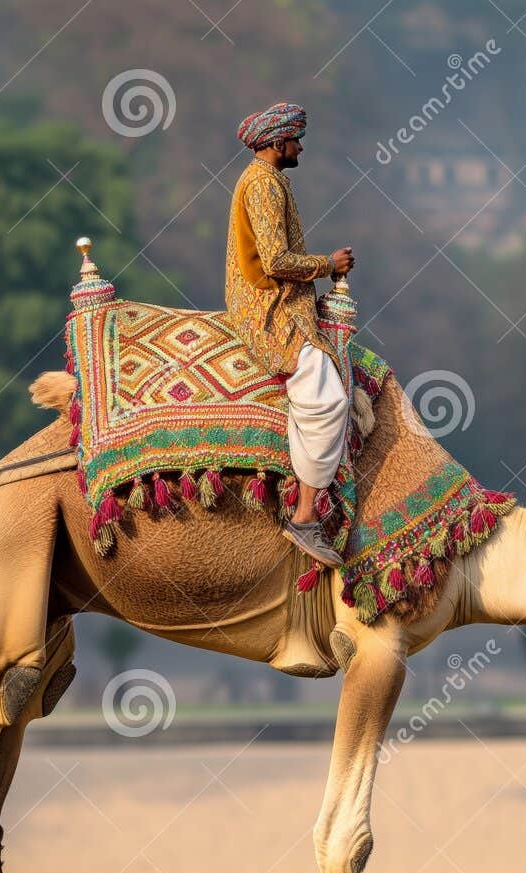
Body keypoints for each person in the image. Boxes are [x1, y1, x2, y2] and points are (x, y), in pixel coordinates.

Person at [226, 101, 356, 567]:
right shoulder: (262, 185)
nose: (300, 146)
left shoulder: (270, 180)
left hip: (282, 301)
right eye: (295, 139)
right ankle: (304, 518)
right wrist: (328, 264)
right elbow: (278, 261)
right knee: (329, 400)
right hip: (270, 310)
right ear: (277, 143)